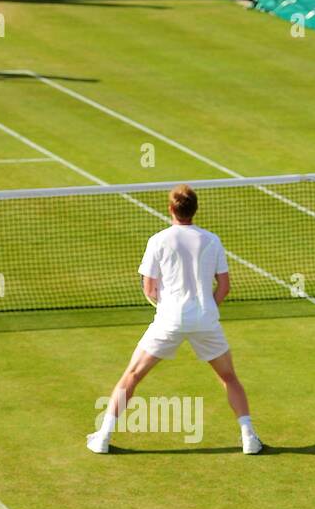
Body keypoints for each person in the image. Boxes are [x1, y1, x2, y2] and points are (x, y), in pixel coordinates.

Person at [86, 184, 262, 456]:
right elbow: (223, 287)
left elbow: (149, 289)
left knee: (131, 376)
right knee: (229, 377)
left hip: (168, 321)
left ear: (171, 209)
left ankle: (103, 437)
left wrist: (167, 308)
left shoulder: (158, 240)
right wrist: (205, 310)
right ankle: (249, 437)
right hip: (205, 321)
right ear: (195, 209)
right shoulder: (212, 240)